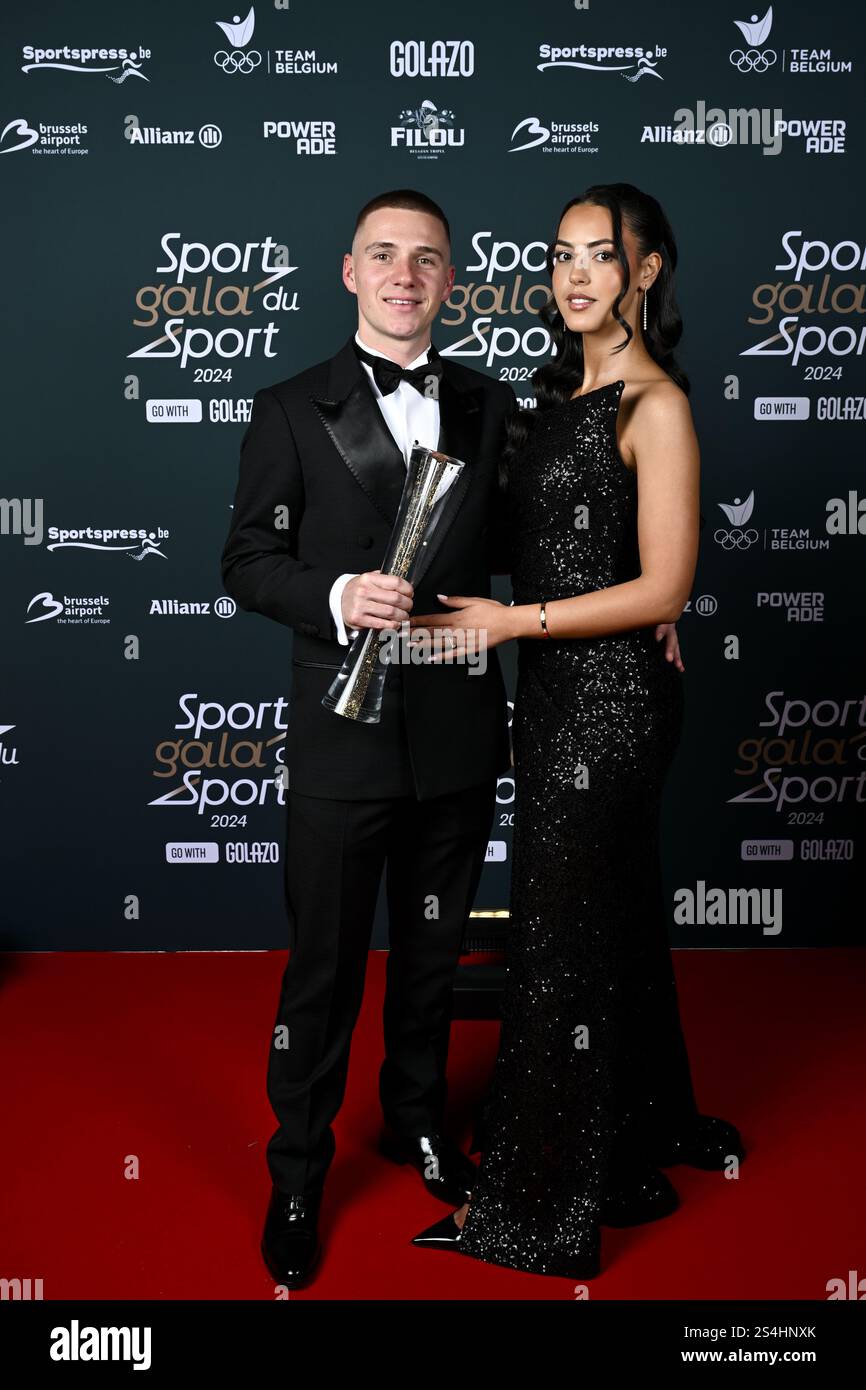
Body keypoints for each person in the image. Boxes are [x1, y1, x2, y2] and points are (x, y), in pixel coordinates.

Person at [409, 183, 744, 1280]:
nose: (574, 276)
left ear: (644, 273)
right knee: (607, 917)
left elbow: (662, 589)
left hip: (612, 698)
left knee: (557, 937)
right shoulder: (548, 401)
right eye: (560, 256)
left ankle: (539, 1195)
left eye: (600, 257)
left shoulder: (655, 406)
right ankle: (629, 1133)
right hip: (553, 687)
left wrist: (517, 623)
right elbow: (523, 548)